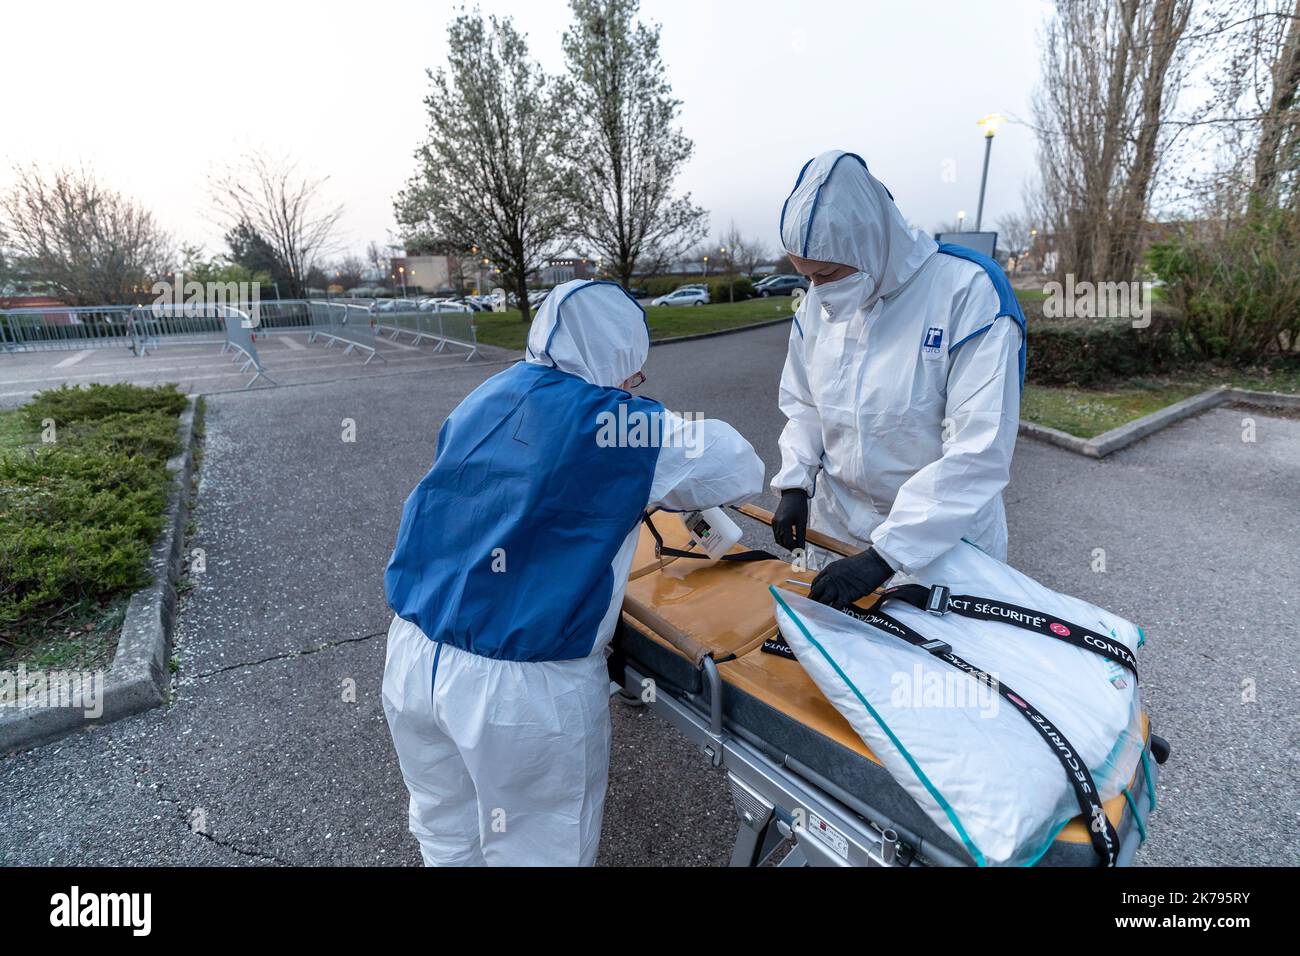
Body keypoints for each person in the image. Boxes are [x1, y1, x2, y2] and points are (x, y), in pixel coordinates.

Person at [382, 278, 764, 866]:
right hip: (522, 685)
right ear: (620, 361)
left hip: (413, 656)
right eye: (635, 372)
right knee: (537, 848)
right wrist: (645, 446)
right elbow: (739, 465)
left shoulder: (488, 393)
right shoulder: (618, 422)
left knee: (445, 825)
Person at [769, 150, 1026, 607]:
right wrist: (794, 480)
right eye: (805, 276)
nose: (817, 291)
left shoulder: (967, 292)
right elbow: (807, 404)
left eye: (825, 273)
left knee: (936, 672)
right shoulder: (815, 303)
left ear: (868, 243)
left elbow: (979, 448)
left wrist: (887, 555)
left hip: (942, 545)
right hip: (840, 531)